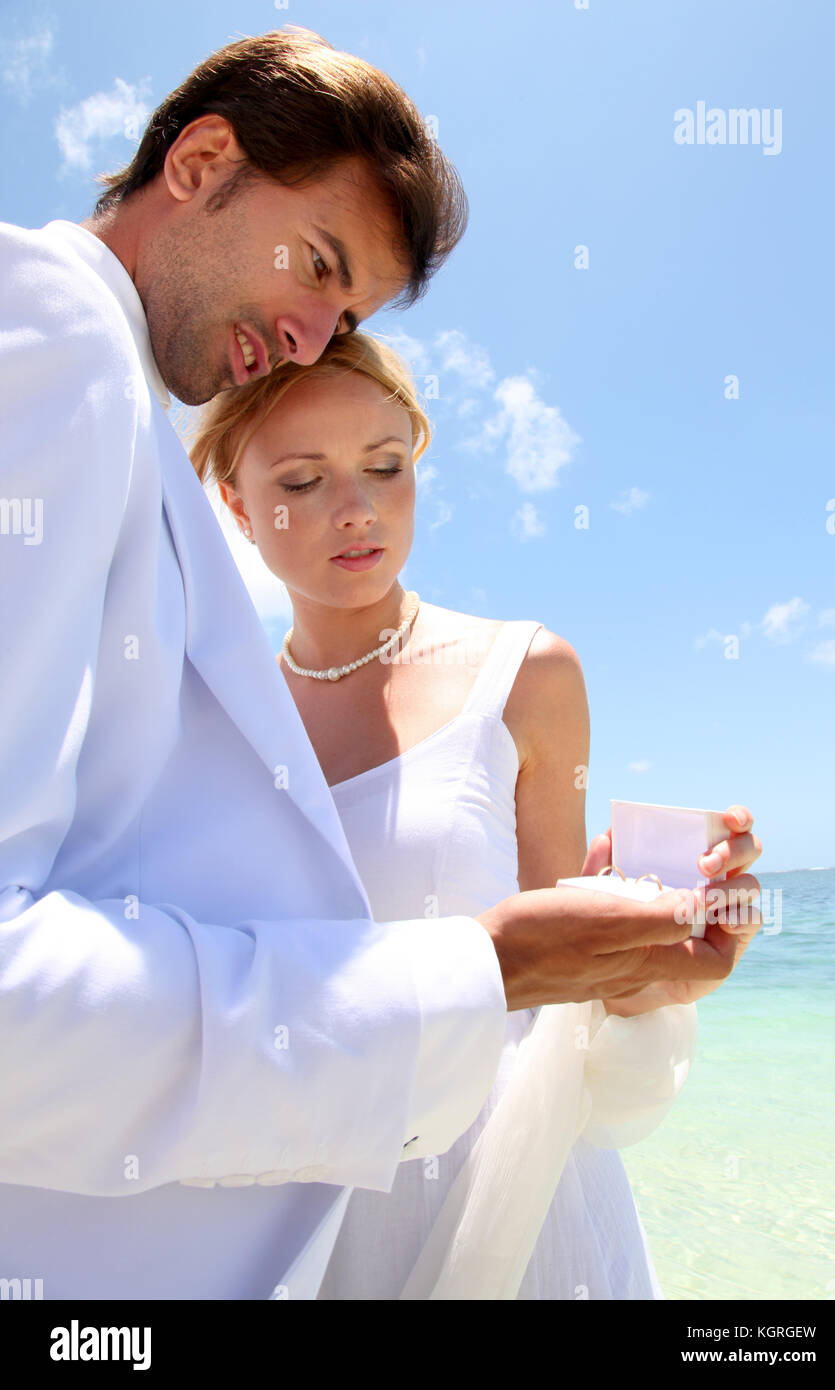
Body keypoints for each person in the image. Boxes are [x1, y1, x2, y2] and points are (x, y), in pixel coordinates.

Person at [0, 27, 761, 1300]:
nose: (308, 338)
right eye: (319, 265)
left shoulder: (506, 673)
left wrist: (630, 957)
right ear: (199, 162)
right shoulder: (59, 332)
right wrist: (502, 956)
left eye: (345, 314)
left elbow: (554, 1019)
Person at [189, 330, 762, 1298]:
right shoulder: (207, 718)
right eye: (300, 481)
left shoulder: (527, 673)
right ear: (236, 505)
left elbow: (558, 987)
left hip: (504, 1194)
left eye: (385, 465)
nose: (357, 508)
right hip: (284, 1209)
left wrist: (648, 971)